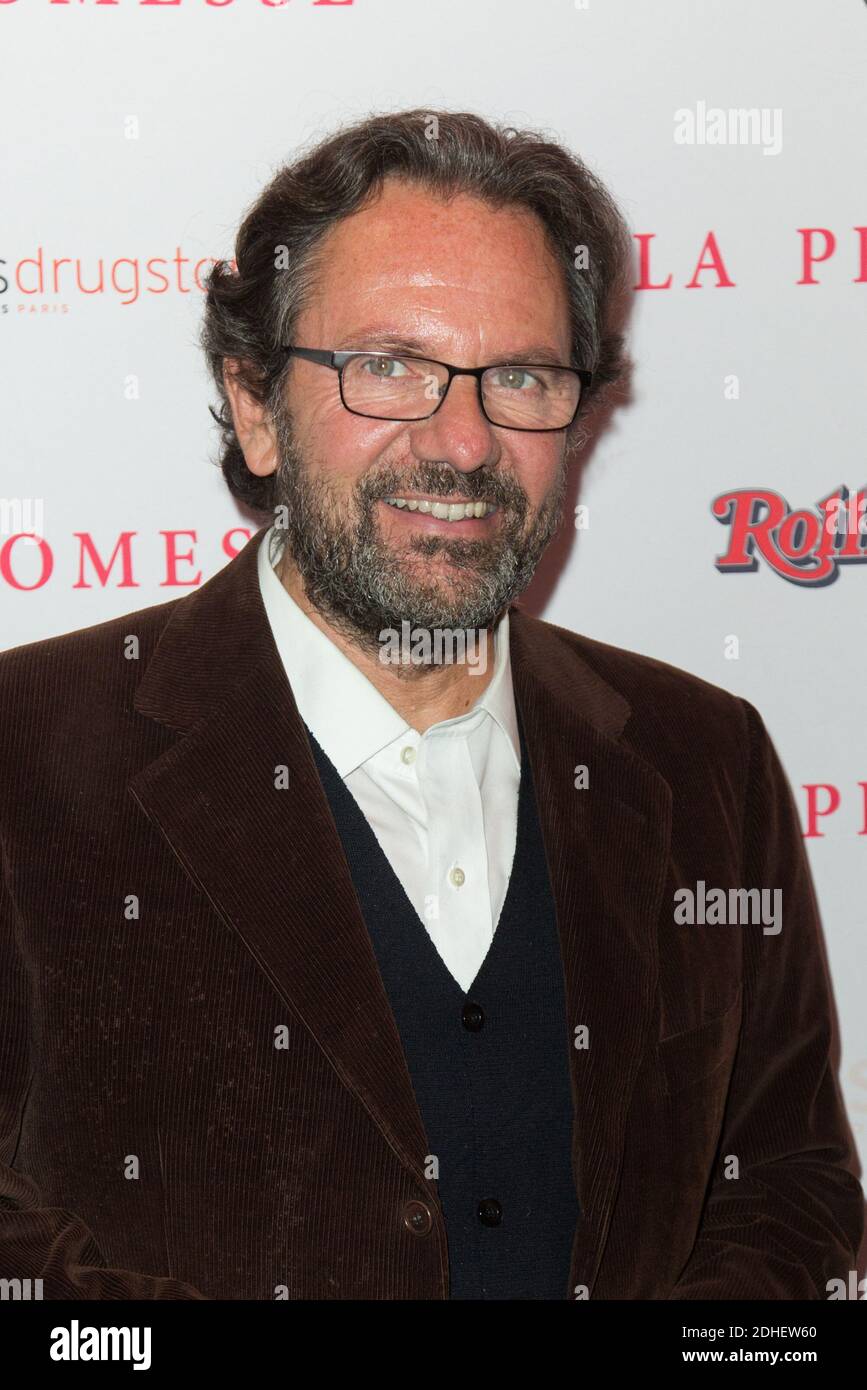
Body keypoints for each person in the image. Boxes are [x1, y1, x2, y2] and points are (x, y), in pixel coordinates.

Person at [0, 109, 862, 1300]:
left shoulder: (705, 756)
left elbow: (789, 1183)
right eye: (389, 366)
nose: (462, 441)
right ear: (254, 405)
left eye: (519, 376)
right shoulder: (26, 754)